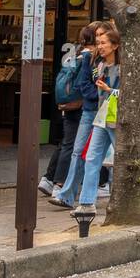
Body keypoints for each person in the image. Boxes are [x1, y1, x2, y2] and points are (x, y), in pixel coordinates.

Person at [49, 20, 106, 209]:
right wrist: (95, 94)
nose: (99, 42)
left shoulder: (113, 61)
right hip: (90, 110)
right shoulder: (88, 58)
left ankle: (137, 191)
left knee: (109, 154)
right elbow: (83, 82)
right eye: (97, 38)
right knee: (79, 151)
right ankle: (68, 195)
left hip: (108, 111)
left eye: (102, 38)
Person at [73, 25, 124, 213]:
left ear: (115, 46)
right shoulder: (100, 65)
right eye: (98, 43)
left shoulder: (122, 68)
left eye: (103, 43)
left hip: (116, 119)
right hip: (102, 117)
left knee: (123, 157)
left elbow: (132, 95)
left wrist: (110, 90)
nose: (99, 47)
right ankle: (86, 202)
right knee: (92, 157)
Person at [40, 24, 94, 197]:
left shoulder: (74, 53)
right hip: (81, 105)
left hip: (69, 104)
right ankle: (60, 184)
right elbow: (83, 84)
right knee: (77, 147)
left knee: (67, 143)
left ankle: (50, 180)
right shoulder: (89, 56)